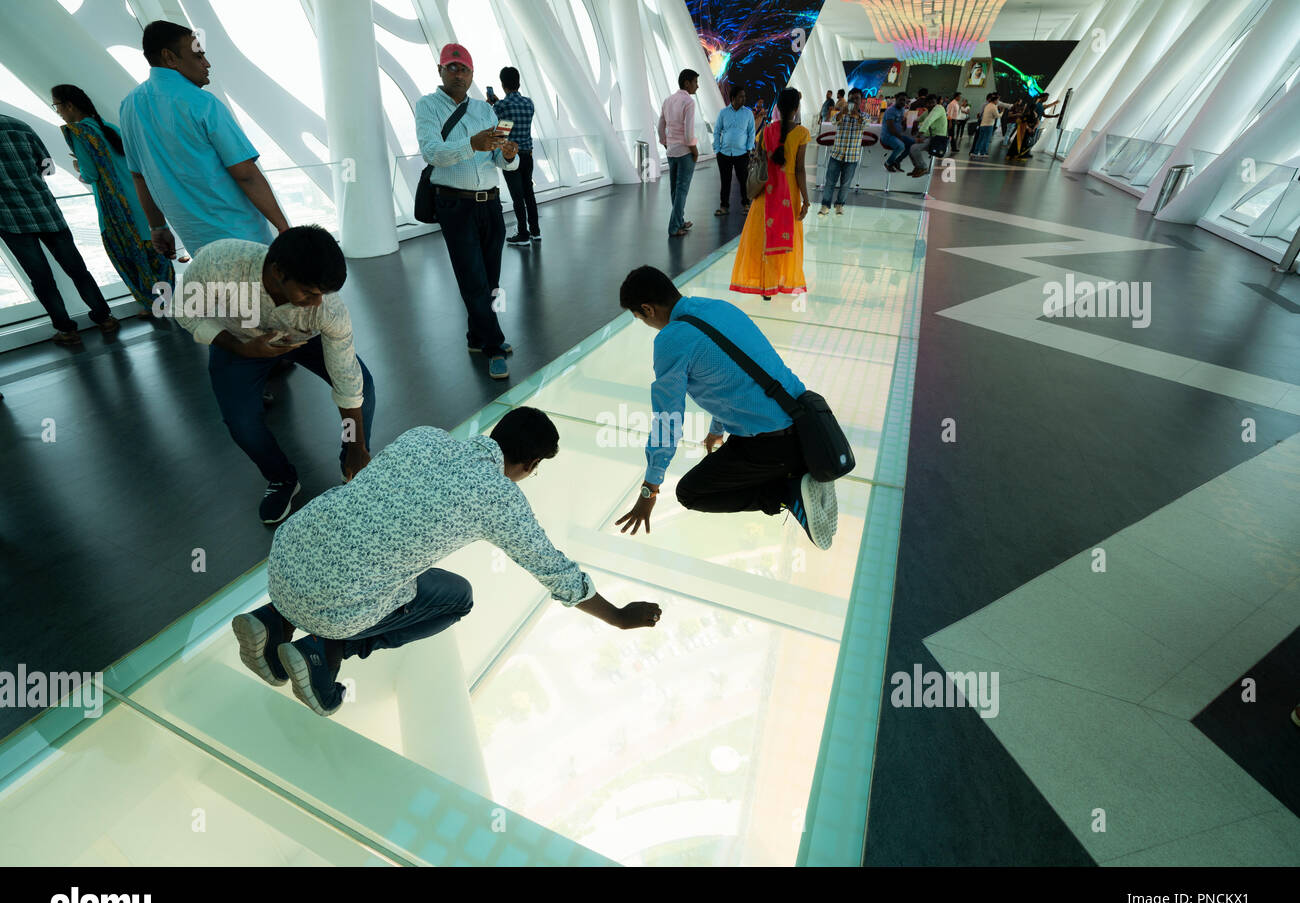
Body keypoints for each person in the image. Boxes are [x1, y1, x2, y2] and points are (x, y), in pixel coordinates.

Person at [236, 409, 662, 716]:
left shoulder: (425, 435)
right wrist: (617, 616)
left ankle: (273, 618)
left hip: (287, 553)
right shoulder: (499, 498)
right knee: (457, 597)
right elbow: (555, 571)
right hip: (334, 604)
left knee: (368, 552)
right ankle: (324, 649)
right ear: (531, 465)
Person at [614, 266, 837, 551]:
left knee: (690, 493)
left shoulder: (671, 340)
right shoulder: (719, 308)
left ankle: (786, 491)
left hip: (771, 444)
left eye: (639, 318)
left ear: (647, 309)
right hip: (805, 422)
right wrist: (716, 429)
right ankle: (796, 469)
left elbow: (667, 420)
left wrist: (650, 489)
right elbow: (738, 376)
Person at [174, 226, 375, 522]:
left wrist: (357, 443)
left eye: (323, 294)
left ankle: (352, 460)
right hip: (240, 340)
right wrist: (241, 349)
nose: (317, 301)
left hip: (305, 338)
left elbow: (346, 378)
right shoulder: (219, 262)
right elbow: (185, 310)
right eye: (308, 292)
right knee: (240, 421)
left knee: (363, 387)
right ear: (278, 271)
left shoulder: (326, 310)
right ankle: (282, 479)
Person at [119, 20, 289, 259]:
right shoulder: (202, 103)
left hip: (196, 245)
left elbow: (139, 176)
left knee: (229, 297)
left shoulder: (129, 106)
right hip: (241, 237)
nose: (207, 63)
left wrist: (157, 227)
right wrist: (283, 227)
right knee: (257, 296)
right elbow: (246, 174)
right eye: (199, 56)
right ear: (170, 58)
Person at [416, 42, 519, 380]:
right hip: (455, 204)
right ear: (441, 71)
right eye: (452, 67)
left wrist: (506, 154)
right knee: (472, 279)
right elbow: (433, 153)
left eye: (464, 69)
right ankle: (493, 345)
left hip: (490, 203)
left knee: (490, 279)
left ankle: (476, 336)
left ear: (472, 74)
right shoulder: (428, 106)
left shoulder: (485, 110)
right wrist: (471, 144)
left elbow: (503, 163)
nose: (458, 73)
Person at [52, 84, 174, 319]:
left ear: (68, 105)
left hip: (117, 210)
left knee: (127, 255)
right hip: (141, 203)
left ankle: (153, 305)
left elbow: (91, 174)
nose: (57, 111)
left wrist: (79, 167)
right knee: (155, 253)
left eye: (57, 105)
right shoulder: (109, 127)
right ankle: (167, 299)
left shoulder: (79, 133)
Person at [0, 113, 117, 345]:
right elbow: (48, 167)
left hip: (10, 219)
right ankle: (105, 318)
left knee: (41, 279)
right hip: (46, 210)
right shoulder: (19, 125)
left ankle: (67, 331)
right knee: (77, 270)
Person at [728, 88, 808, 300]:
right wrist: (807, 201)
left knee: (763, 238)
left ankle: (766, 286)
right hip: (789, 195)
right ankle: (778, 281)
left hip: (766, 195)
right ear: (796, 108)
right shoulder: (802, 133)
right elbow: (799, 169)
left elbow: (759, 160)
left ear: (778, 107)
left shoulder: (765, 132)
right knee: (785, 239)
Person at [494, 66, 539, 247]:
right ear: (518, 83)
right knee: (529, 193)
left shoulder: (501, 106)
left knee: (517, 196)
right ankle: (535, 231)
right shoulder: (529, 103)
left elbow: (500, 131)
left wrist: (494, 106)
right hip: (528, 155)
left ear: (503, 85)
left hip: (512, 157)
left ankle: (523, 234)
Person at [659, 69, 699, 238]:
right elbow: (689, 134)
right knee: (682, 190)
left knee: (675, 190)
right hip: (684, 152)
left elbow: (661, 125)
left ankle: (680, 220)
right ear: (686, 83)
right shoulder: (688, 102)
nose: (697, 86)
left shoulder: (668, 100)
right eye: (695, 82)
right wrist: (695, 151)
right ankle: (674, 227)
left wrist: (665, 143)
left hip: (671, 151)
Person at [819, 88, 864, 216]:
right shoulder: (841, 115)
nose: (854, 101)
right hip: (837, 154)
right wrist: (842, 113)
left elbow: (865, 124)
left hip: (852, 156)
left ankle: (839, 205)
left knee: (845, 183)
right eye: (852, 98)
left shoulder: (864, 116)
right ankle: (825, 205)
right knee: (830, 181)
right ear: (847, 100)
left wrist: (857, 115)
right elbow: (833, 121)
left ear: (861, 101)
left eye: (857, 98)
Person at [712, 85, 754, 217]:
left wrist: (748, 149)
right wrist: (717, 149)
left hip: (742, 154)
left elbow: (751, 132)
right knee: (725, 181)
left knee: (743, 180)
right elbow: (717, 131)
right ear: (733, 98)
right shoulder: (723, 113)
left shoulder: (748, 113)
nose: (744, 99)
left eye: (744, 96)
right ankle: (724, 206)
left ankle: (746, 204)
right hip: (724, 154)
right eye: (741, 96)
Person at [908, 95, 948, 177]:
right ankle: (918, 167)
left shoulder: (938, 108)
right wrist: (914, 122)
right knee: (909, 145)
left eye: (933, 103)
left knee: (914, 148)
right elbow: (919, 119)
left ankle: (923, 167)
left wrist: (919, 134)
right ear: (925, 104)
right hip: (929, 136)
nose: (931, 105)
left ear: (936, 103)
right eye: (928, 103)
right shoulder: (928, 111)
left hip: (936, 138)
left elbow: (928, 120)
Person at [880, 92, 916, 173]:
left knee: (912, 144)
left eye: (905, 101)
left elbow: (900, 121)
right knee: (901, 146)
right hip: (887, 136)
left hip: (896, 136)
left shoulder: (902, 109)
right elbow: (891, 128)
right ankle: (888, 163)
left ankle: (897, 161)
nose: (903, 102)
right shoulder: (890, 111)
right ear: (896, 99)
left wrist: (904, 122)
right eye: (901, 100)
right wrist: (901, 137)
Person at [970, 92, 1004, 157]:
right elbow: (997, 116)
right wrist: (1002, 112)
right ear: (995, 100)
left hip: (982, 124)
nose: (998, 102)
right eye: (997, 100)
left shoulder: (987, 105)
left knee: (980, 139)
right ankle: (983, 153)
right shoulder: (993, 106)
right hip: (989, 125)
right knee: (986, 139)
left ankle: (975, 152)